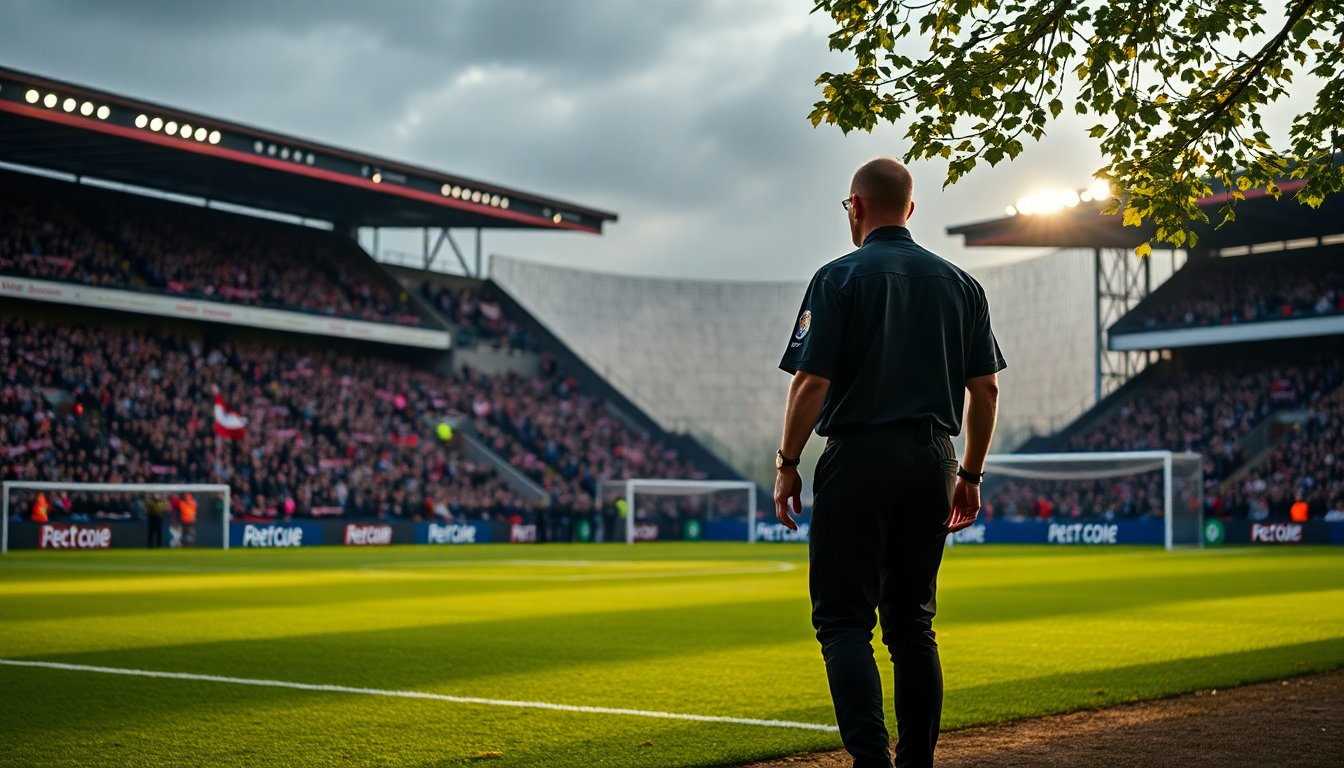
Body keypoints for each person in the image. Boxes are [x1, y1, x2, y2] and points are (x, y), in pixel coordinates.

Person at [774, 157, 1005, 768]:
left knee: (845, 621)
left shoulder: (837, 278)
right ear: (910, 208)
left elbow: (810, 383)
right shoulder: (962, 285)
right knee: (911, 627)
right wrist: (970, 475)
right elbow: (985, 392)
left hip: (858, 458)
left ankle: (871, 761)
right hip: (934, 460)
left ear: (856, 206)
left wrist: (787, 462)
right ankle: (916, 764)